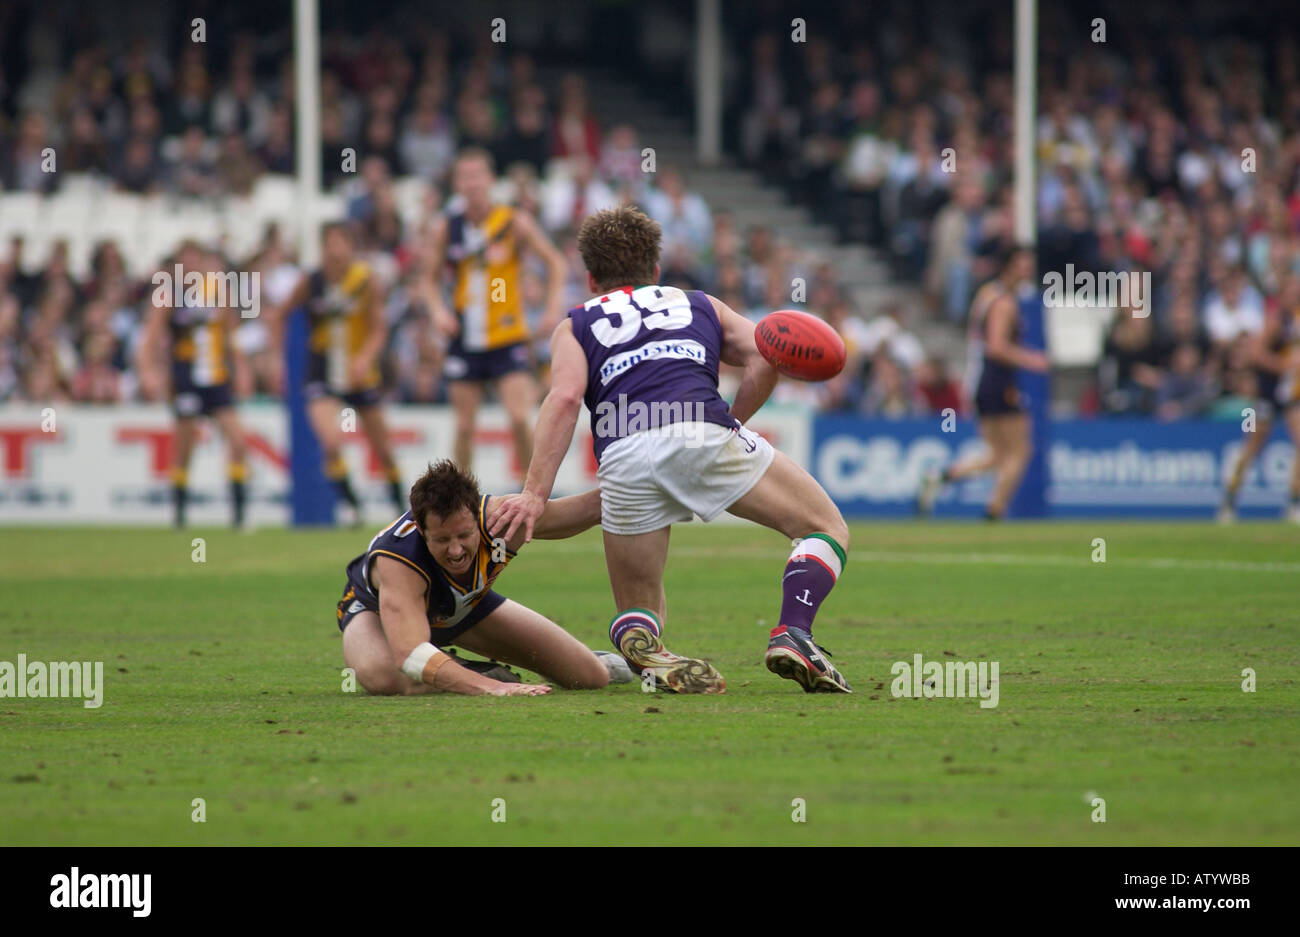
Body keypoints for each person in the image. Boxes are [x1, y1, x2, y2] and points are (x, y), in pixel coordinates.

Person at [489, 206, 852, 695]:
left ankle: (639, 639)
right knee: (824, 527)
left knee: (638, 606)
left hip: (622, 455)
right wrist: (731, 423)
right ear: (656, 271)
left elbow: (566, 399)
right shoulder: (699, 303)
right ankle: (793, 631)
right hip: (700, 428)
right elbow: (766, 357)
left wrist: (534, 493)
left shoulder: (574, 325)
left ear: (591, 277)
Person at [337, 459, 617, 696]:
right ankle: (466, 671)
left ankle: (591, 659)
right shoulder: (398, 560)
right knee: (384, 675)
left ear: (477, 515)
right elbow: (411, 654)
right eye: (442, 539)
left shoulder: (501, 518)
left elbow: (588, 510)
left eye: (464, 535)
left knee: (590, 678)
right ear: (421, 531)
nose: (456, 550)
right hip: (375, 614)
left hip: (463, 608)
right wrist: (492, 687)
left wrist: (638, 483)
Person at [424, 147, 568, 475]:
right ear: (457, 183)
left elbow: (556, 262)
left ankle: (534, 495)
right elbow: (429, 279)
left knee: (519, 418)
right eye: (465, 176)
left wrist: (552, 306)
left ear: (490, 180)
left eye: (478, 175)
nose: (472, 183)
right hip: (464, 335)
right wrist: (436, 311)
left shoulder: (513, 222)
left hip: (507, 334)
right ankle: (461, 503)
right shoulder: (447, 228)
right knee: (463, 426)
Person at [270, 222, 404, 522]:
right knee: (330, 441)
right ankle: (352, 505)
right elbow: (280, 314)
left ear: (350, 246)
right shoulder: (311, 282)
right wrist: (280, 357)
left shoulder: (366, 281)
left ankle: (399, 506)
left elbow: (378, 328)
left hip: (359, 373)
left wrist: (366, 357)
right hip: (322, 371)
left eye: (340, 242)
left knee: (382, 447)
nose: (335, 249)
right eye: (329, 243)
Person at [917, 247, 1049, 519]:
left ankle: (940, 476)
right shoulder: (1004, 301)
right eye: (1024, 264)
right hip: (999, 380)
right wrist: (1031, 360)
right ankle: (995, 510)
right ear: (1010, 266)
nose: (1029, 270)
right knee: (1021, 451)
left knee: (998, 455)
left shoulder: (987, 294)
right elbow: (996, 347)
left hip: (980, 380)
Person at [136, 242, 251, 528]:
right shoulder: (169, 294)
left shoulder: (218, 291)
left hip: (216, 377)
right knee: (185, 447)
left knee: (237, 441)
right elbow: (150, 336)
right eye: (184, 260)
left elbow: (231, 334)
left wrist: (242, 369)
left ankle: (238, 516)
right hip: (186, 378)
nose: (190, 265)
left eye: (195, 259)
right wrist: (148, 371)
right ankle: (179, 514)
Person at [1219, 276, 1300, 523]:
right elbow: (1256, 353)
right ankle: (1230, 499)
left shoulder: (1296, 320)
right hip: (1266, 395)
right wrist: (1283, 366)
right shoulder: (1275, 321)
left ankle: (1294, 503)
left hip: (1291, 394)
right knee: (1252, 447)